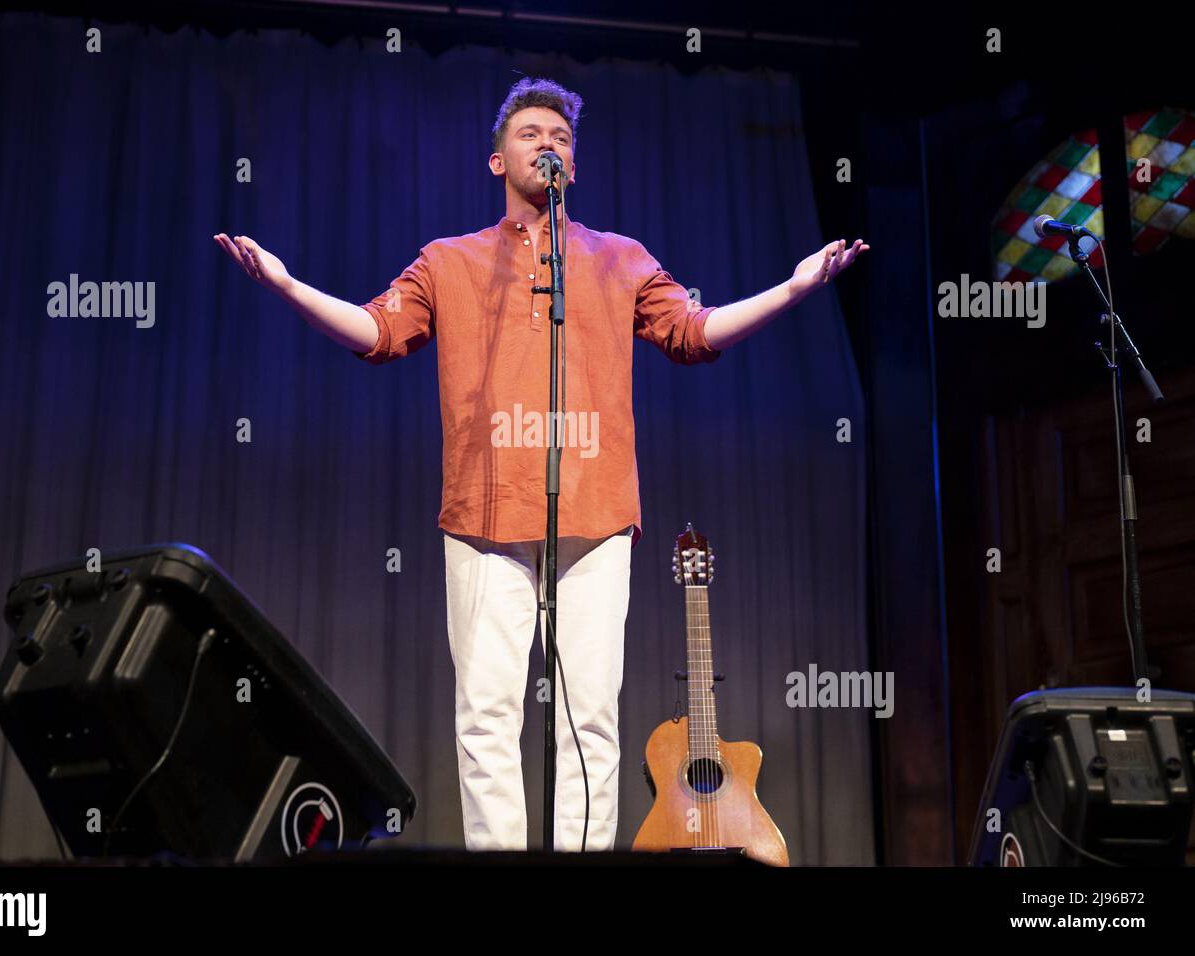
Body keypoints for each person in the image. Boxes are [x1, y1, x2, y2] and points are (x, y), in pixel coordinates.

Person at [214, 76, 867, 852]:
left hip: (595, 518)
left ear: (575, 167)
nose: (547, 144)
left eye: (560, 138)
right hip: (486, 519)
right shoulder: (449, 261)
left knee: (589, 717)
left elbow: (694, 333)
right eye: (528, 134)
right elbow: (375, 332)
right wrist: (289, 286)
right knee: (488, 716)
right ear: (497, 161)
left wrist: (791, 292)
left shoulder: (619, 258)